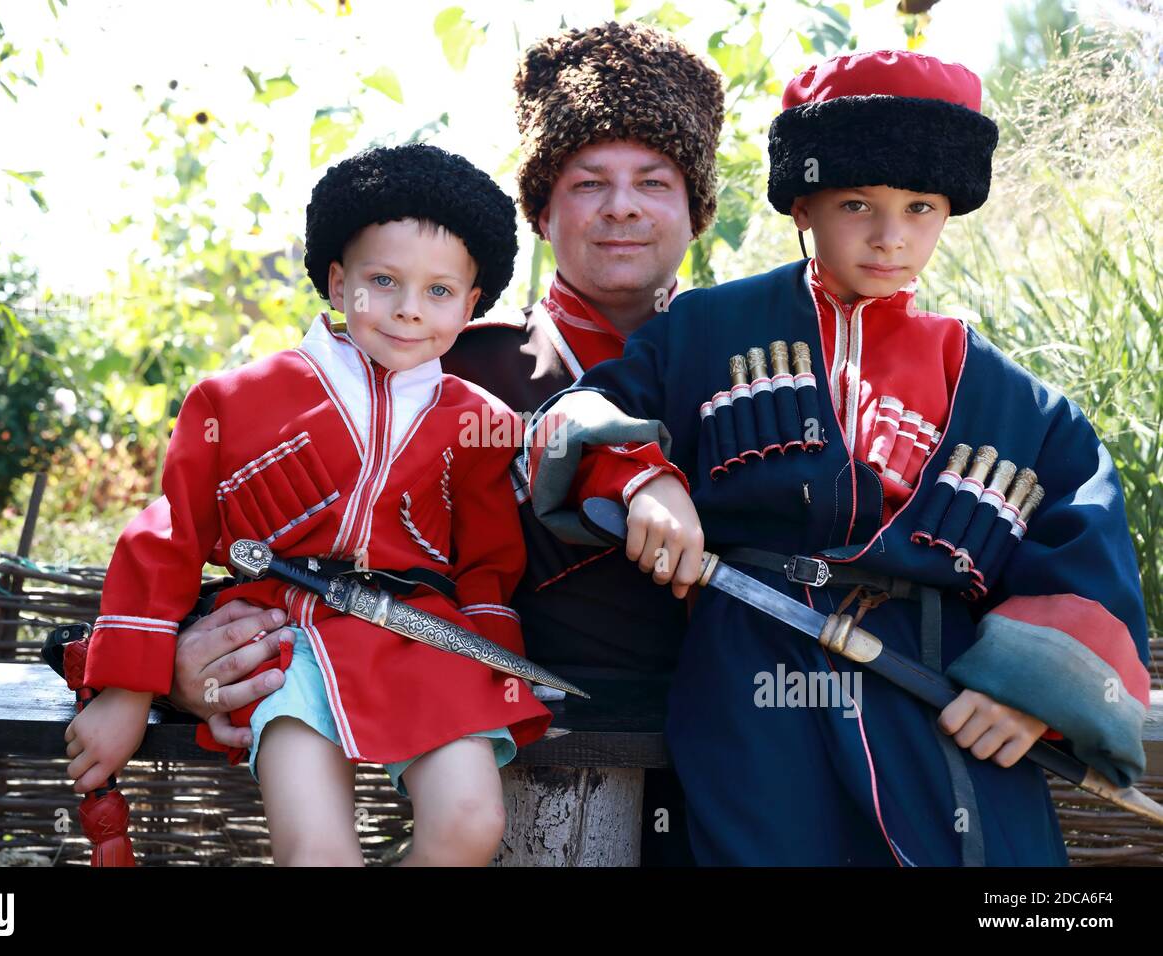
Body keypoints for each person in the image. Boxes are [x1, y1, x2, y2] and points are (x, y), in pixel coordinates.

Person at [525, 50, 1152, 865]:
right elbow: (578, 415)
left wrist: (1029, 694)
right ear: (803, 207)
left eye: (920, 207)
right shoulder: (707, 333)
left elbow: (1082, 534)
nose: (891, 237)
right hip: (754, 674)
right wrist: (646, 482)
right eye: (857, 203)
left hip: (943, 692)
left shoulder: (1014, 401)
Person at [167, 20, 726, 868]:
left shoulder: (748, 374)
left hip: (720, 755)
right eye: (586, 182)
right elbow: (250, 520)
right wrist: (183, 655)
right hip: (501, 758)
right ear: (541, 207)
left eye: (655, 179)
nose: (621, 206)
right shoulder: (441, 365)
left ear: (697, 209)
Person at [64, 143, 552, 866]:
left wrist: (494, 664)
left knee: (470, 825)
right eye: (382, 280)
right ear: (336, 279)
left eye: (440, 292)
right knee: (316, 853)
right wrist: (127, 692)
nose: (409, 311)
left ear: (473, 304)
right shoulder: (235, 399)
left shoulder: (478, 421)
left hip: (425, 643)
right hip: (284, 645)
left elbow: (485, 564)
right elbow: (168, 538)